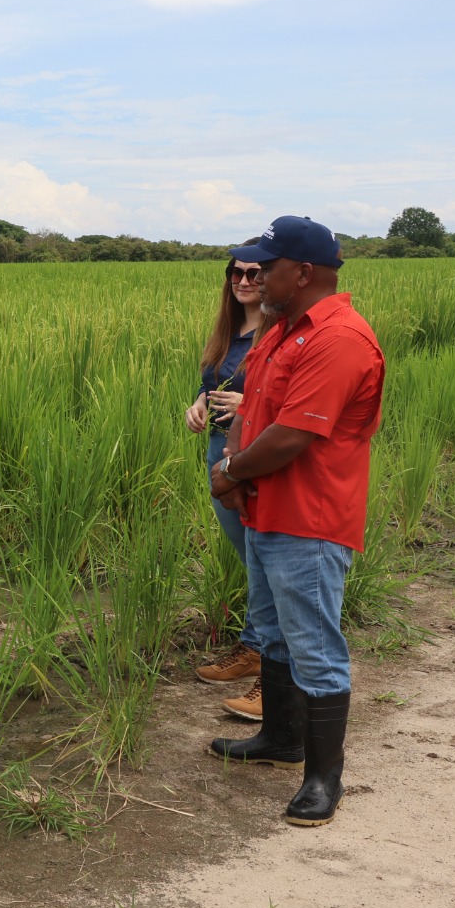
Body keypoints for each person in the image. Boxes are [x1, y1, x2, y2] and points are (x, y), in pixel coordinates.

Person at [207, 216, 384, 827]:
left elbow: (291, 435)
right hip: (265, 509)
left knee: (313, 643)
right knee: (277, 633)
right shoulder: (283, 331)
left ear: (302, 273)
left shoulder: (339, 340)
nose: (255, 277)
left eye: (267, 267)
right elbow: (253, 410)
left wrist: (229, 473)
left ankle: (323, 778)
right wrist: (236, 471)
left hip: (308, 518)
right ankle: (280, 739)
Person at [185, 241, 273, 720]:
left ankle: (266, 659)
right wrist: (197, 405)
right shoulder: (228, 331)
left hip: (254, 454)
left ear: (270, 277)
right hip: (218, 453)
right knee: (250, 556)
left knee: (266, 558)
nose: (243, 281)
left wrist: (250, 405)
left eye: (254, 273)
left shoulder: (276, 332)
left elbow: (283, 399)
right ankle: (256, 648)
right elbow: (210, 385)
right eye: (235, 273)